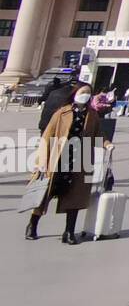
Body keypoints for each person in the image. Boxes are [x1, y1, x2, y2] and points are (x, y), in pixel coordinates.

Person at [26, 82, 102, 243]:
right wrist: (42, 160)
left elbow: (98, 134)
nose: (85, 95)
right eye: (83, 92)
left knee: (74, 196)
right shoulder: (61, 113)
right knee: (44, 193)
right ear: (75, 94)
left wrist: (107, 144)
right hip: (58, 158)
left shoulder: (92, 115)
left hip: (79, 159)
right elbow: (47, 136)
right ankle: (32, 224)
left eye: (88, 93)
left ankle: (69, 232)